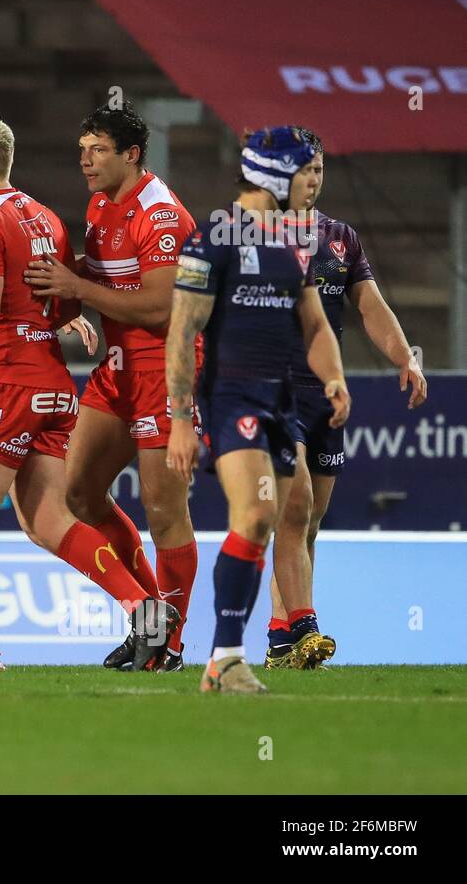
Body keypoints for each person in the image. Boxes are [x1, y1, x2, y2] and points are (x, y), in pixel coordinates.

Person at [0, 117, 178, 672]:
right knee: (47, 518)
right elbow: (65, 299)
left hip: (1, 381)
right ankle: (143, 605)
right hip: (52, 383)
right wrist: (57, 320)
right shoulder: (43, 215)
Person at [167, 125, 351, 694]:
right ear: (275, 175)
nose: (312, 183)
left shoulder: (294, 239)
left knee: (267, 521)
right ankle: (224, 660)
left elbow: (314, 321)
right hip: (233, 401)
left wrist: (335, 376)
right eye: (304, 171)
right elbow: (182, 330)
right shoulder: (212, 238)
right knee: (253, 514)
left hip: (284, 404)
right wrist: (178, 418)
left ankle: (230, 656)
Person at [25, 101, 200, 670]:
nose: (86, 162)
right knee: (77, 493)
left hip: (164, 365)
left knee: (163, 509)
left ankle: (167, 647)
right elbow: (103, 276)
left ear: (132, 154)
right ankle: (150, 613)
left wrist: (77, 283)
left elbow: (156, 308)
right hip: (119, 366)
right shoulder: (102, 203)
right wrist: (65, 282)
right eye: (82, 152)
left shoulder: (161, 214)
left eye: (98, 151)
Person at [266, 127, 427, 668]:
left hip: (326, 394)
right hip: (275, 391)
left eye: (318, 170)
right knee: (296, 506)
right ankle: (307, 627)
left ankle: (281, 639)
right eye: (302, 169)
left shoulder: (340, 237)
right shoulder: (252, 234)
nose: (311, 179)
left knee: (308, 523)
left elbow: (370, 307)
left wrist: (405, 357)